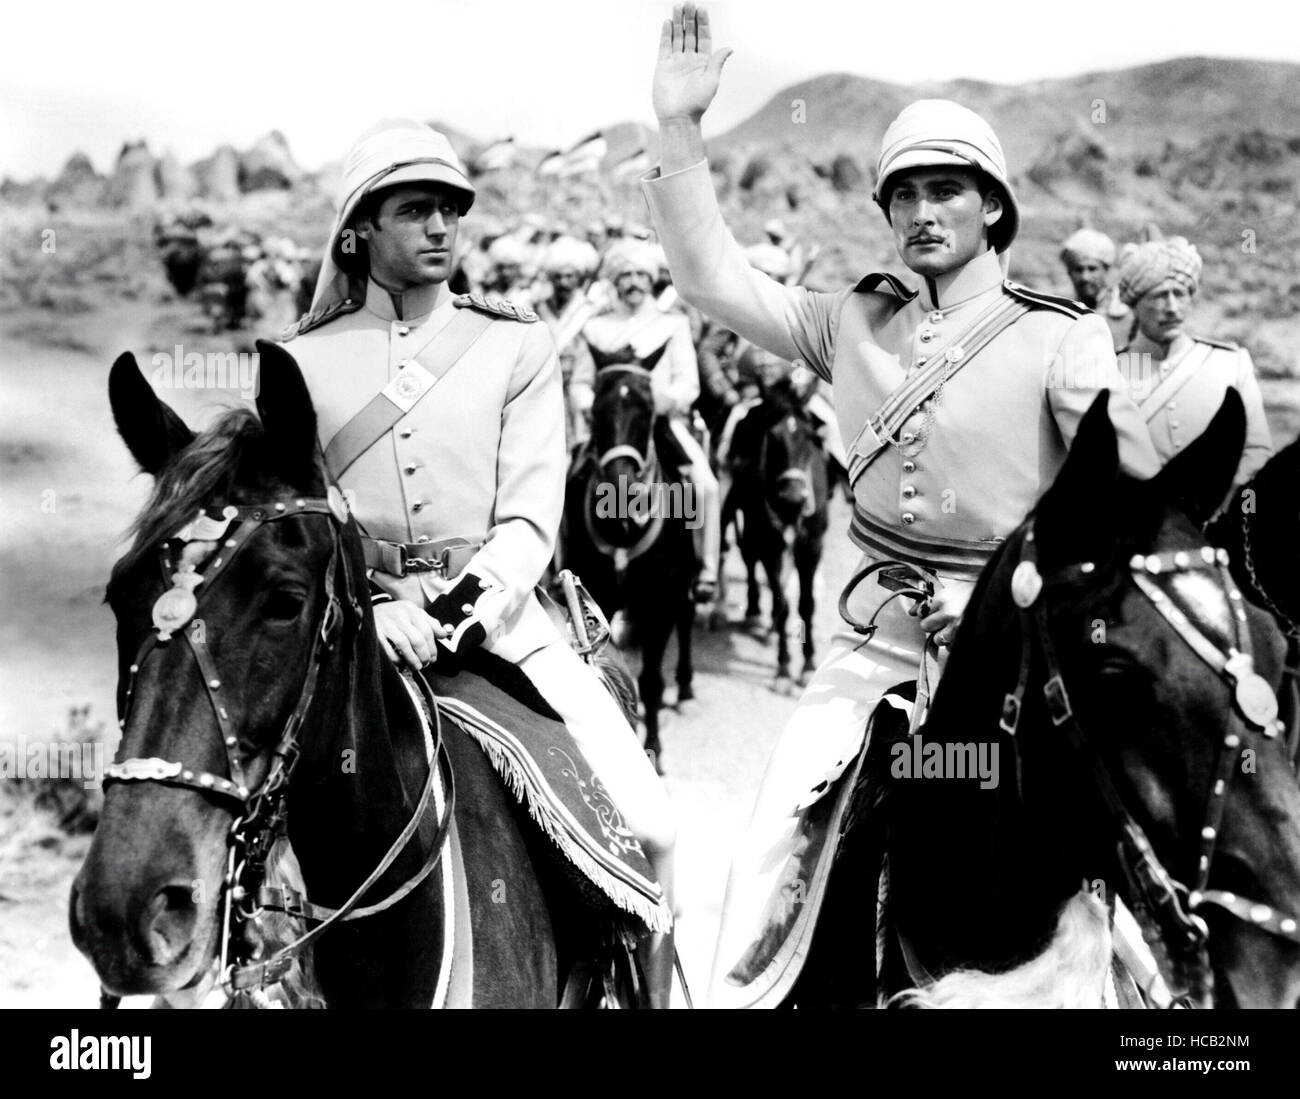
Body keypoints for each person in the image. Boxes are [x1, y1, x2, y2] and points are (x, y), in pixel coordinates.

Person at [646, 3, 1162, 1007]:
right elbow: (710, 280)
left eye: (948, 190)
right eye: (906, 193)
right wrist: (678, 130)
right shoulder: (853, 322)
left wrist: (998, 597)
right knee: (766, 863)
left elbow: (1112, 519)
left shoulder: (1061, 339)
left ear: (994, 209)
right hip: (869, 655)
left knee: (1131, 885)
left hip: (1019, 657)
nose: (925, 210)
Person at [279, 119, 678, 1006]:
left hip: (499, 631)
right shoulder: (302, 362)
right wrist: (371, 610)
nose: (440, 229)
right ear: (358, 231)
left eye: (451, 211)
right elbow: (298, 525)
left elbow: (532, 517)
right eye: (415, 209)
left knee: (655, 832)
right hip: (354, 631)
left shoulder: (514, 345)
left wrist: (460, 608)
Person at [580, 240, 722, 602]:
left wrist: (666, 400)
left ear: (650, 279)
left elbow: (688, 383)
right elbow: (580, 382)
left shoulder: (671, 325)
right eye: (625, 275)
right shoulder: (596, 328)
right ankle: (558, 565)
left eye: (640, 275)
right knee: (565, 475)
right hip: (609, 428)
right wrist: (591, 406)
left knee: (703, 484)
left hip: (660, 422)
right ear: (615, 280)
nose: (633, 282)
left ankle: (704, 569)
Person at [1115, 235, 1273, 490]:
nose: (1172, 307)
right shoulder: (1111, 370)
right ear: (1134, 304)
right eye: (1158, 296)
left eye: (1180, 293)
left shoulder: (1230, 364)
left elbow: (1256, 450)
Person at [535, 236, 601, 449]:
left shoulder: (591, 311)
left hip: (578, 389)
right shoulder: (537, 308)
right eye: (558, 277)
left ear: (579, 278)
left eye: (569, 276)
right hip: (544, 388)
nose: (563, 283)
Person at [1060, 227, 1134, 350]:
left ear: (1106, 269)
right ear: (1069, 272)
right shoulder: (1064, 315)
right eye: (1078, 270)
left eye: (1092, 269)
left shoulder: (1126, 313)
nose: (1085, 277)